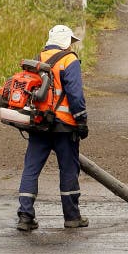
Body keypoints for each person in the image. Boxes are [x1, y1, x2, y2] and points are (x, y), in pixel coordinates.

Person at [17, 24, 89, 231]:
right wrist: (82, 120)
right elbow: (75, 94)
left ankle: (25, 216)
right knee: (68, 170)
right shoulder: (69, 59)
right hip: (64, 126)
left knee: (31, 169)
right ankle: (72, 217)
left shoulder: (38, 57)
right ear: (66, 42)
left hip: (39, 124)